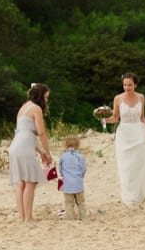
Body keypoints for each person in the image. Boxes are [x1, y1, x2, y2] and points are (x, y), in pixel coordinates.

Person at [101, 72, 145, 205]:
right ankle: (128, 194)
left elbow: (142, 117)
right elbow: (115, 117)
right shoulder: (118, 98)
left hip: (138, 131)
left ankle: (138, 193)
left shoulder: (141, 97)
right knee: (126, 165)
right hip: (124, 133)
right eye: (125, 85)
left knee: (138, 164)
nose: (127, 87)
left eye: (130, 85)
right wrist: (104, 120)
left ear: (135, 85)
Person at [8, 83, 53, 223]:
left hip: (15, 146)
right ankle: (28, 218)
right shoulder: (36, 109)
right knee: (30, 182)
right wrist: (47, 152)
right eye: (46, 97)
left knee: (20, 183)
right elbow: (40, 132)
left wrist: (39, 152)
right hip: (24, 147)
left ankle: (22, 217)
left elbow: (24, 132)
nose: (47, 101)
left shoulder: (23, 108)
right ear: (40, 97)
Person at [58, 135, 87, 220]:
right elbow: (84, 169)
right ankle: (83, 217)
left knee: (69, 203)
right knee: (81, 202)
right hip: (78, 184)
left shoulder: (63, 157)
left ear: (65, 146)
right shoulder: (80, 156)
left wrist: (64, 176)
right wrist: (80, 176)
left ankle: (70, 218)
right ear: (78, 146)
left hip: (67, 185)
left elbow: (60, 169)